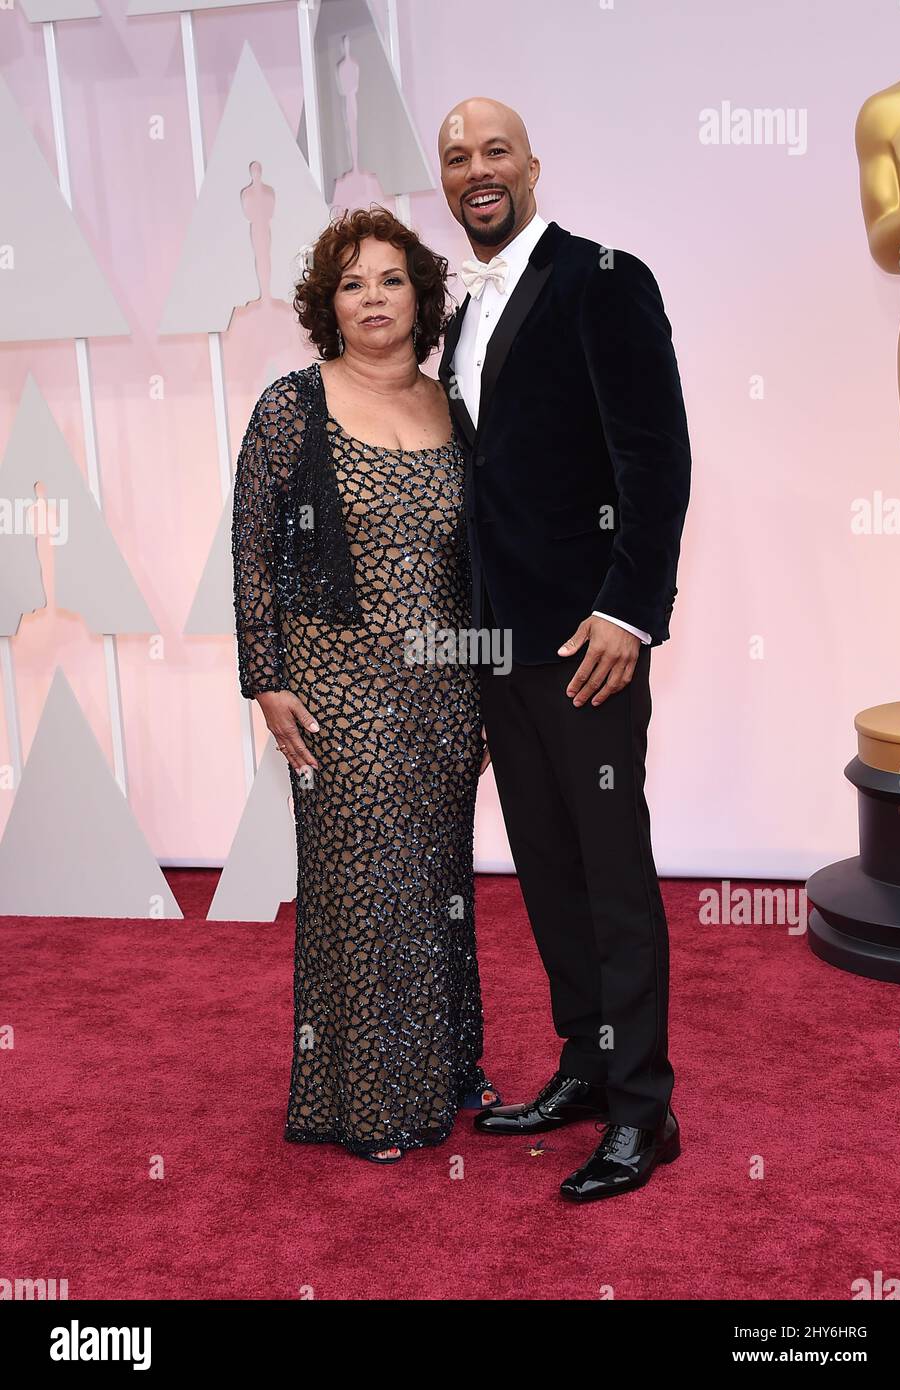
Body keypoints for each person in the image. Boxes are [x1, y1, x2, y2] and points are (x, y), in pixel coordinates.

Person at [436, 98, 692, 1201]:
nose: (476, 171)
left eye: (494, 151)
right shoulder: (459, 313)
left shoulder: (602, 279)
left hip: (588, 644)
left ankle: (644, 1111)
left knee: (613, 877)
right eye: (455, 158)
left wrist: (627, 613)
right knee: (544, 871)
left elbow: (657, 458)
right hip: (498, 643)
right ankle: (582, 1066)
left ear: (531, 166)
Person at [231, 207, 500, 1165]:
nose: (373, 298)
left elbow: (483, 563)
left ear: (420, 297)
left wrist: (488, 683)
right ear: (327, 304)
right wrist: (265, 680)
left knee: (436, 883)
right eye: (352, 283)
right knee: (359, 883)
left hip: (442, 688)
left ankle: (445, 1068)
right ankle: (373, 1100)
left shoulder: (456, 407)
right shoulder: (291, 407)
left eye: (390, 280)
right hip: (334, 685)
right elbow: (253, 548)